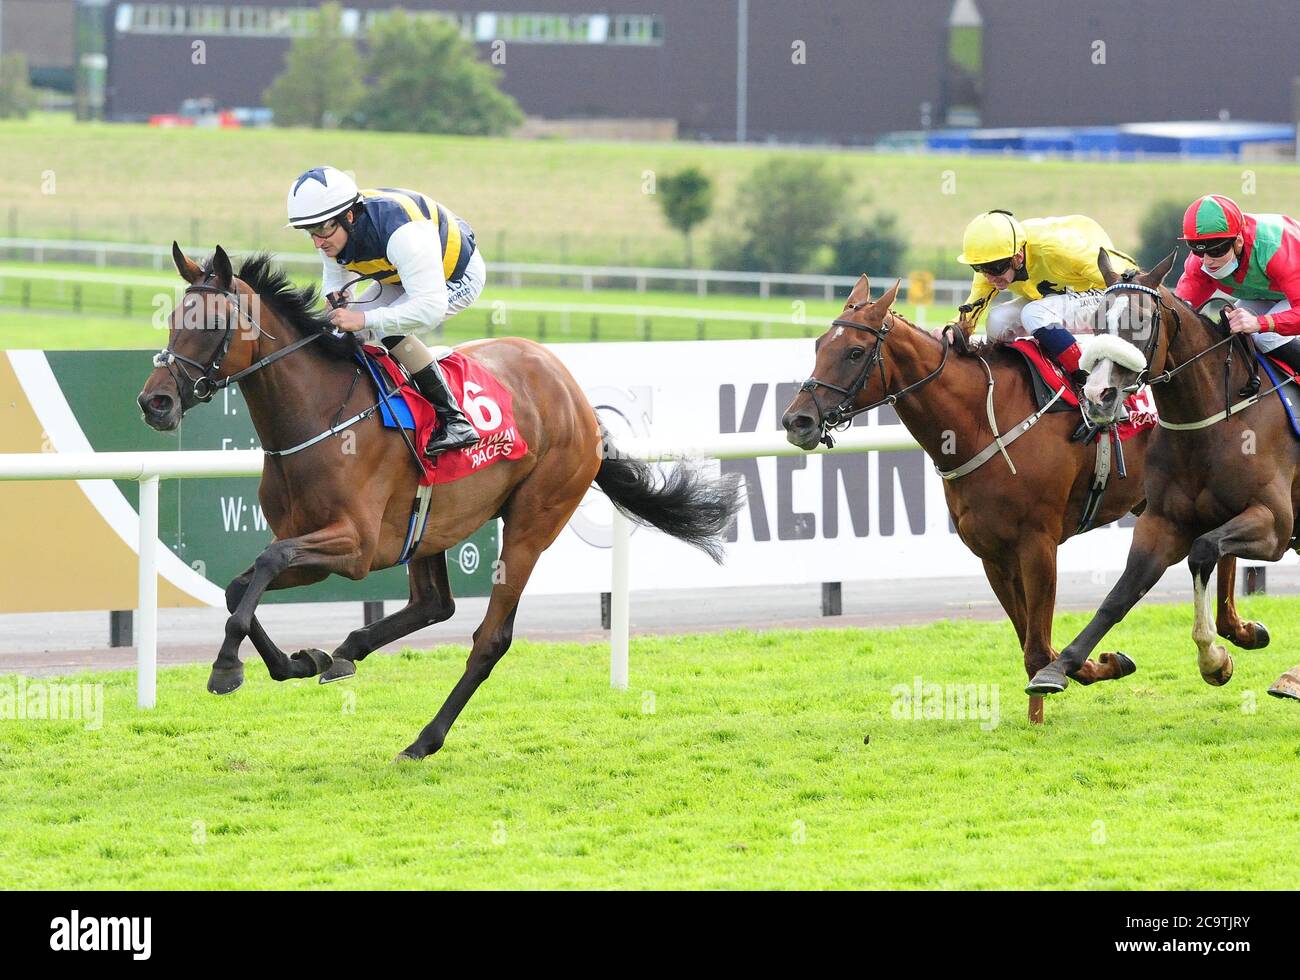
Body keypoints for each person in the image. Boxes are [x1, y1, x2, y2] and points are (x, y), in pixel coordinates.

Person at [285, 165, 482, 455]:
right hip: (400, 274)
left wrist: (363, 317)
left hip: (451, 277)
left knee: (384, 329)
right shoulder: (333, 229)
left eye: (323, 229)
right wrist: (338, 299)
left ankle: (454, 419)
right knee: (343, 332)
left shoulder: (403, 234)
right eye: (309, 231)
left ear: (349, 217)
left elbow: (429, 308)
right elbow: (336, 274)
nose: (317, 241)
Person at [954, 209, 1139, 381]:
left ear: (1018, 257)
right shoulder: (993, 266)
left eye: (995, 268)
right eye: (979, 268)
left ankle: (1087, 380)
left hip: (1101, 293)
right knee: (996, 320)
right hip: (1055, 298)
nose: (989, 277)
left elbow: (1129, 275)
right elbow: (969, 315)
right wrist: (950, 332)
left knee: (1034, 313)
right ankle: (1006, 382)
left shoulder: (1058, 248)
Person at [1176, 194, 1300, 373]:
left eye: (1216, 250)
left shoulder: (1275, 251)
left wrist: (1260, 323)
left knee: (1267, 338)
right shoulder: (1199, 264)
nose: (1207, 261)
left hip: (1293, 278)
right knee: (1233, 331)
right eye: (1197, 250)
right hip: (1276, 292)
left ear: (1238, 242)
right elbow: (1179, 313)